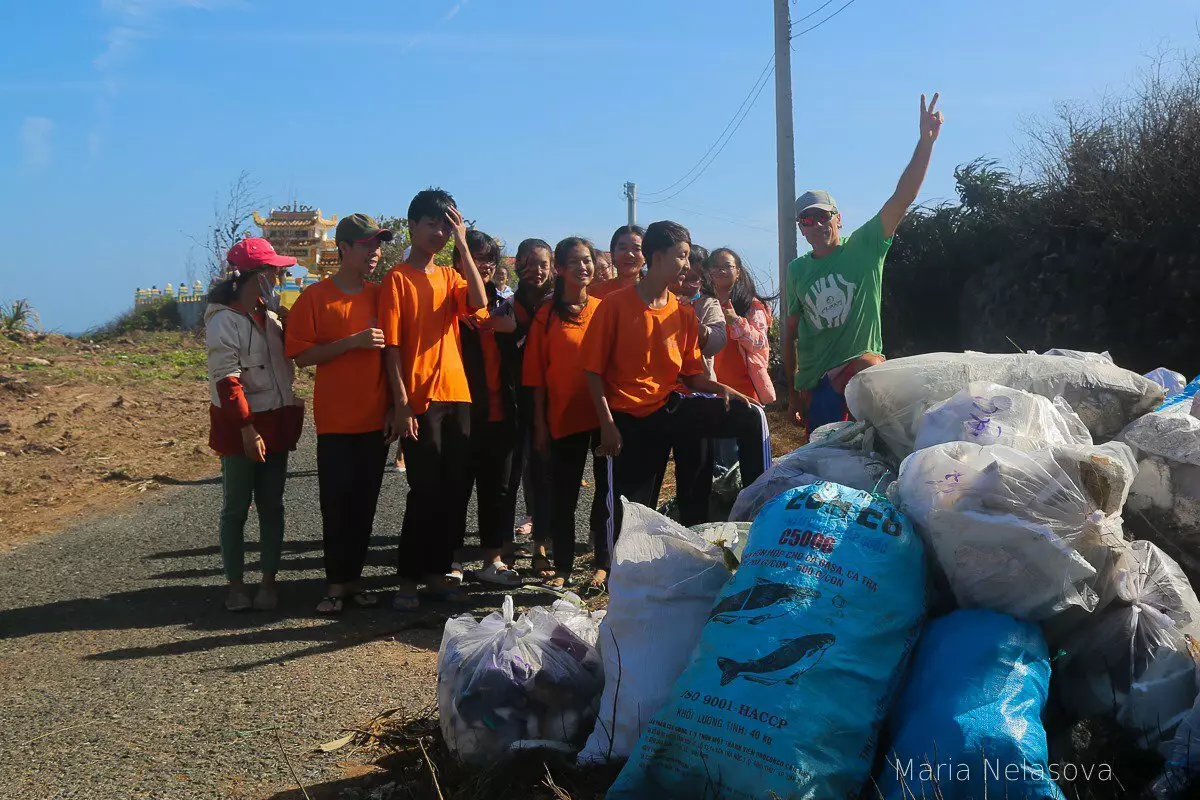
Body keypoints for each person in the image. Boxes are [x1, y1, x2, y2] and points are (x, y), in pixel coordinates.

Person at [582, 220, 770, 590]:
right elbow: (592, 372)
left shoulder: (683, 313)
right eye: (681, 256)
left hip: (669, 405)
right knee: (629, 507)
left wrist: (724, 391)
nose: (688, 265)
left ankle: (759, 518)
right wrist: (607, 424)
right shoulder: (615, 306)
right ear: (656, 257)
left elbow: (691, 376)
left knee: (750, 416)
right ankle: (613, 572)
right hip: (627, 418)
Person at [785, 92, 945, 434]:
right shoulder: (797, 269)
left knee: (873, 444)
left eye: (822, 216)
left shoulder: (865, 247)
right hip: (816, 384)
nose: (815, 225)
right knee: (828, 464)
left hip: (861, 376)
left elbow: (904, 196)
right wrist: (794, 390)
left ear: (838, 218)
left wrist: (926, 142)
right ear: (800, 229)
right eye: (806, 221)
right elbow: (791, 333)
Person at [379, 188, 487, 610]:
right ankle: (408, 578)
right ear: (413, 225)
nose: (439, 232)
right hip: (419, 398)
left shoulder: (449, 276)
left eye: (446, 225)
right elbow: (391, 347)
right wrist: (401, 403)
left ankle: (438, 573)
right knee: (423, 489)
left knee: (453, 490)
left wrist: (463, 244)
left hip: (457, 395)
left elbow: (479, 301)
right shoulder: (397, 279)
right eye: (432, 223)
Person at [285, 213, 393, 615]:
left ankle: (354, 580)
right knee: (335, 503)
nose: (374, 252)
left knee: (365, 505)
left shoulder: (382, 295)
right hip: (334, 421)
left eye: (377, 245)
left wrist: (395, 408)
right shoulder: (316, 297)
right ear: (343, 248)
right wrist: (352, 342)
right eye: (367, 245)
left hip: (374, 419)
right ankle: (334, 584)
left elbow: (394, 357)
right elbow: (301, 355)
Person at [204, 237, 304, 612]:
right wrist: (246, 428)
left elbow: (292, 355)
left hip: (275, 418)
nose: (281, 274)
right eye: (274, 269)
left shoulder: (271, 314)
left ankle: (268, 581)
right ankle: (235, 584)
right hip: (240, 424)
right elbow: (227, 381)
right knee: (235, 506)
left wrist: (286, 320)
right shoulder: (223, 321)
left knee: (272, 504)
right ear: (256, 275)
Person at [523, 236, 606, 591]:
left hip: (604, 418)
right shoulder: (546, 315)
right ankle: (563, 566)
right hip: (563, 417)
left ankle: (604, 565)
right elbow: (536, 377)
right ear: (560, 269)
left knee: (605, 494)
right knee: (564, 497)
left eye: (587, 260)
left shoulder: (604, 309)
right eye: (575, 262)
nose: (584, 267)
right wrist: (540, 424)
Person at [453, 229, 523, 586]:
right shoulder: (449, 303)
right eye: (475, 257)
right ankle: (450, 560)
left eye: (488, 260)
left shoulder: (503, 303)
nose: (483, 265)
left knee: (496, 491)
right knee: (456, 488)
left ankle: (491, 559)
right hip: (461, 413)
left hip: (501, 412)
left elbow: (518, 355)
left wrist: (510, 332)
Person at [705, 247, 778, 472]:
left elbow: (759, 343)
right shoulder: (704, 302)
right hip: (712, 389)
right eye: (715, 266)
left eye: (727, 266)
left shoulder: (750, 305)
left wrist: (736, 321)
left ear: (738, 271)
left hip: (744, 391)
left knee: (737, 458)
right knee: (716, 458)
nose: (720, 270)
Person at [507, 239, 554, 540]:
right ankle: (527, 516)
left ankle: (547, 521)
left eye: (543, 264)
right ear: (518, 265)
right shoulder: (508, 305)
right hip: (518, 391)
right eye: (529, 263)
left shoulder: (559, 303)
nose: (536, 270)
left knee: (550, 459)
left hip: (554, 390)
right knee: (522, 458)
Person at [590, 225, 645, 299]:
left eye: (636, 249)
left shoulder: (656, 292)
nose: (629, 254)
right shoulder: (594, 293)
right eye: (623, 248)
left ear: (646, 256)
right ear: (612, 254)